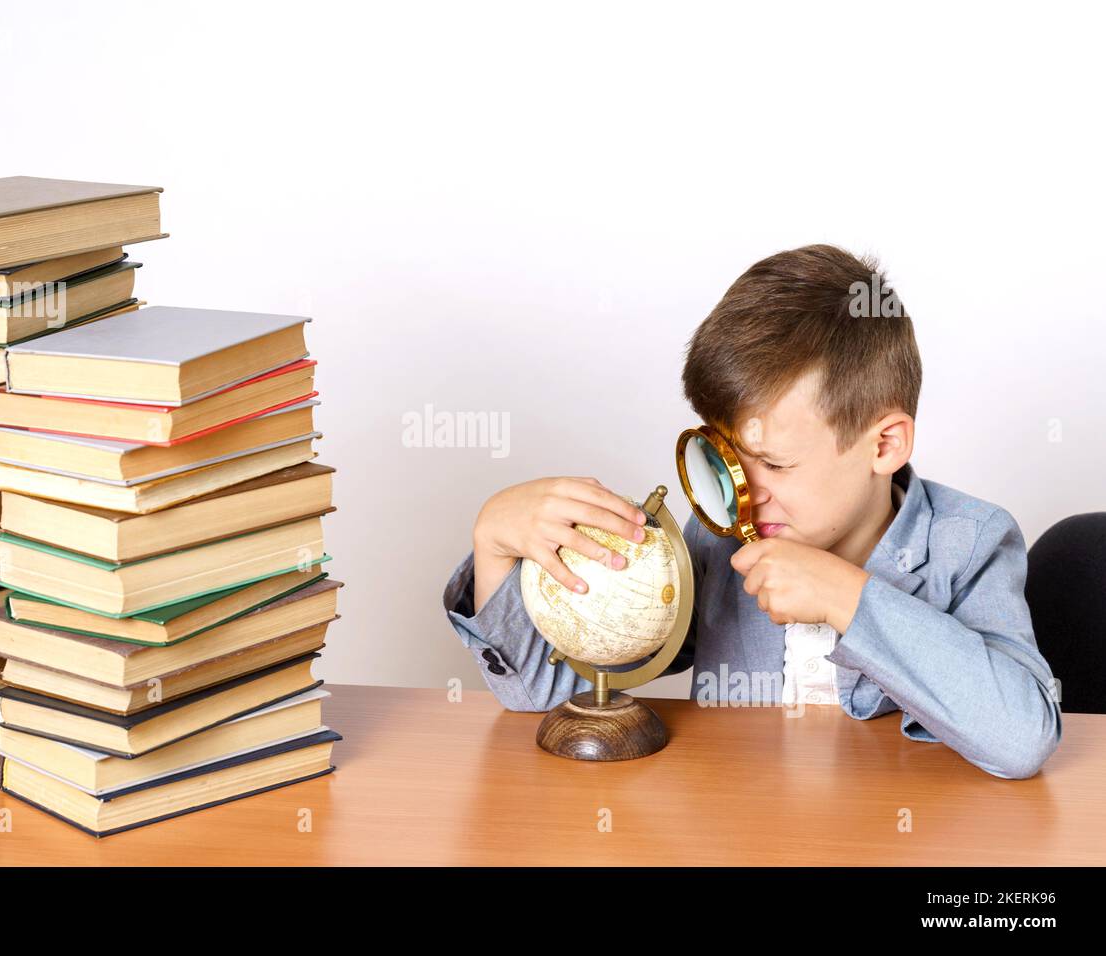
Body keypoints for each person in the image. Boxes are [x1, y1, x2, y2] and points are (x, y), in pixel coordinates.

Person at [442, 244, 1062, 779]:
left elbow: (1020, 739)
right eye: (725, 456)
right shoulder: (721, 537)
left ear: (885, 444)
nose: (741, 490)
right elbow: (540, 694)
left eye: (775, 464)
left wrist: (849, 597)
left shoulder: (969, 543)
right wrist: (496, 541)